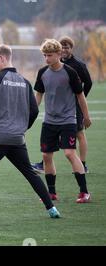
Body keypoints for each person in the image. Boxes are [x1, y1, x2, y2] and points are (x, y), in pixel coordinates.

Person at [0, 45, 60, 222]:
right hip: (17, 138)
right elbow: (34, 111)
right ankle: (52, 208)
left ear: (2, 58)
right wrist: (22, 128)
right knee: (29, 173)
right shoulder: (25, 82)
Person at [34, 39, 91, 203]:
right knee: (46, 156)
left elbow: (80, 96)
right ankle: (51, 193)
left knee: (69, 153)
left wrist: (86, 116)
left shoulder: (70, 72)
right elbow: (38, 95)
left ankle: (84, 192)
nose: (46, 58)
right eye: (44, 55)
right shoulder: (42, 72)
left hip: (67, 120)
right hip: (49, 121)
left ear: (59, 54)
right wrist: (31, 112)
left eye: (49, 55)